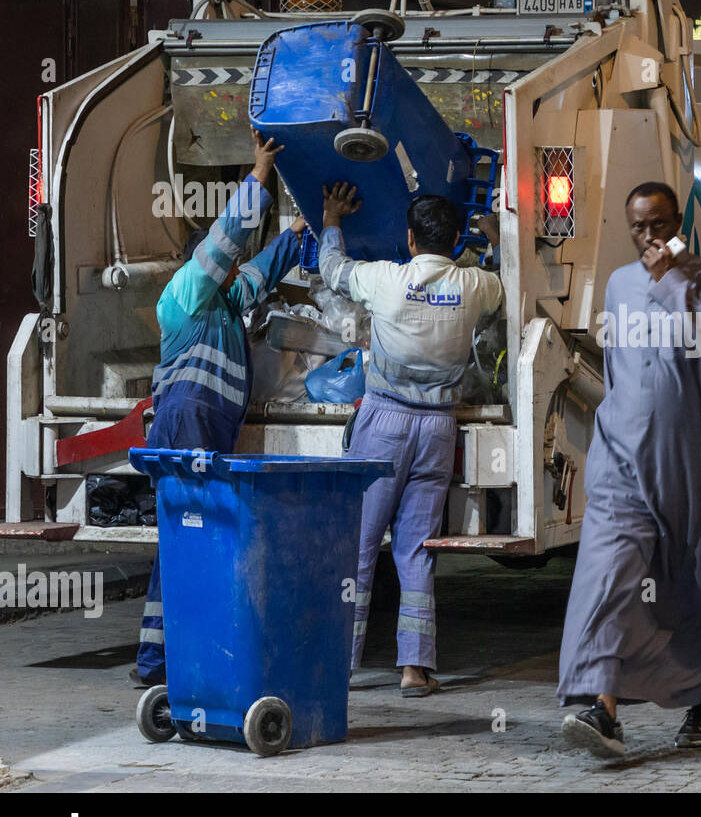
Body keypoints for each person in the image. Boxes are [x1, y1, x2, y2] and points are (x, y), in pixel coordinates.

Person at [557, 181, 701, 757]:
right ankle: (602, 708)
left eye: (658, 223)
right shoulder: (617, 284)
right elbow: (618, 368)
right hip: (623, 463)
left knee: (700, 589)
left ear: (678, 219)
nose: (648, 236)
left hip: (694, 465)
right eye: (638, 226)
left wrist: (671, 284)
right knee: (608, 575)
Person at [135, 129, 307, 685]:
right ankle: (165, 660)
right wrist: (259, 174)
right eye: (225, 266)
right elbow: (229, 238)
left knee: (192, 535)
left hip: (201, 425)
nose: (235, 269)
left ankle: (167, 656)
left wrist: (308, 230)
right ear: (205, 267)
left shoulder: (227, 302)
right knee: (192, 534)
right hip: (188, 421)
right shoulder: (185, 294)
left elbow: (262, 270)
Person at [317, 185, 502, 697]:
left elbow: (332, 270)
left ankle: (341, 661)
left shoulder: (385, 279)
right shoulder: (474, 285)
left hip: (386, 423)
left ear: (409, 237)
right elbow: (512, 282)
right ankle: (415, 669)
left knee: (358, 543)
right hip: (439, 428)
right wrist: (497, 237)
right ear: (456, 239)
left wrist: (332, 220)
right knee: (416, 549)